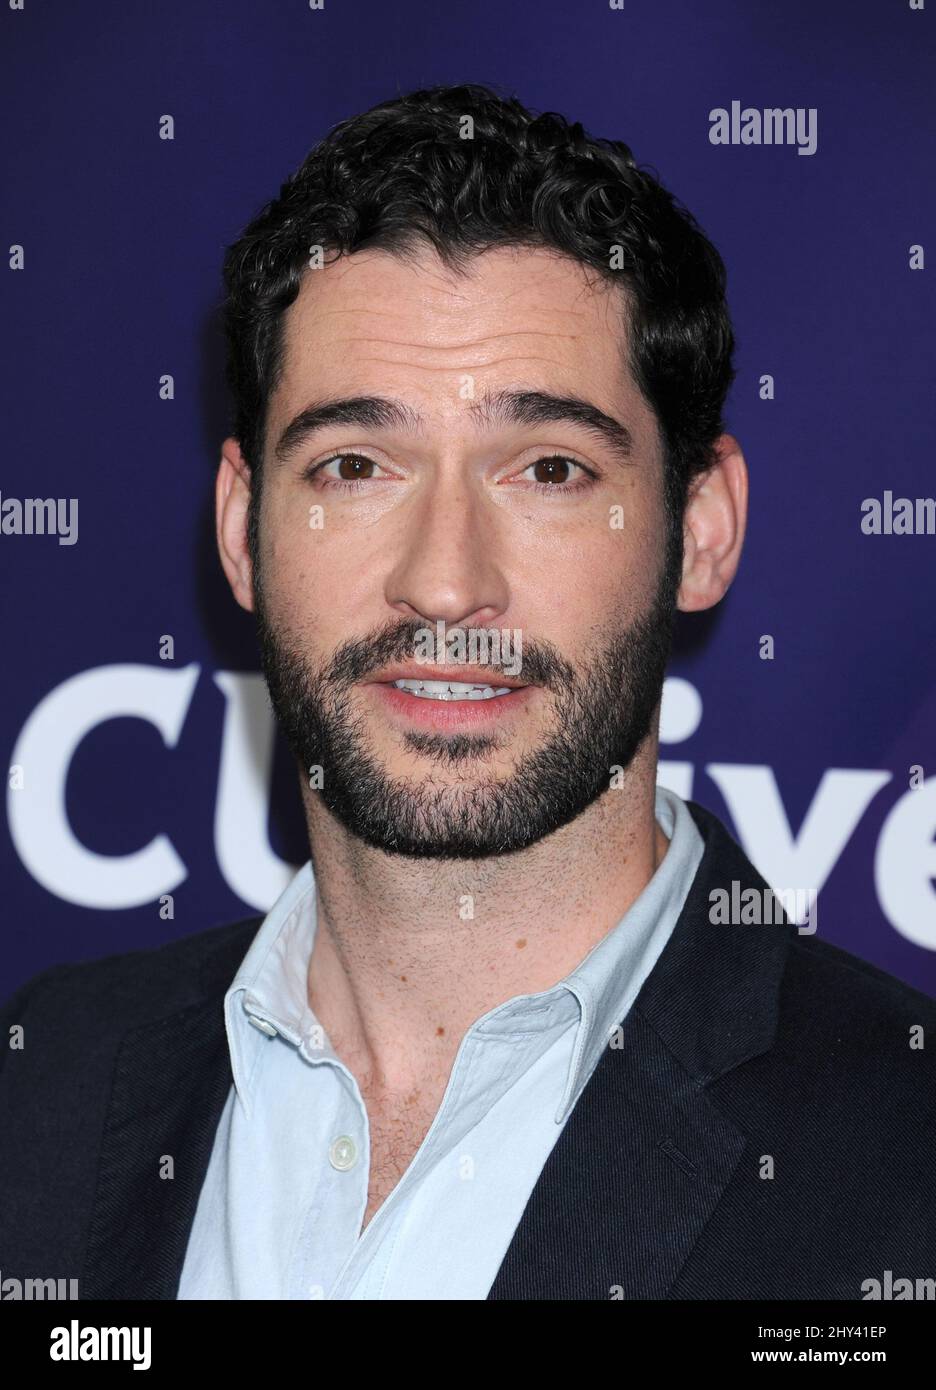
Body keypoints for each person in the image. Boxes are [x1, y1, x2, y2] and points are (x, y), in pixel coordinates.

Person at [2, 83, 934, 1302]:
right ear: (241, 527)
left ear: (700, 528)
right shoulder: (43, 1087)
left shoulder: (905, 1161)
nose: (444, 583)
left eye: (548, 468)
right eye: (354, 464)